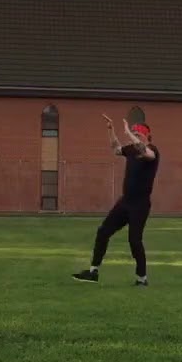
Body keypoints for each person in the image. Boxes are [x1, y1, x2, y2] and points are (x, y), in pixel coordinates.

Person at [72, 115, 160, 287]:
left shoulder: (153, 151)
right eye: (133, 133)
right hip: (125, 202)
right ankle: (93, 272)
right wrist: (111, 130)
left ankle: (142, 279)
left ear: (147, 136)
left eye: (138, 134)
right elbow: (116, 149)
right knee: (103, 231)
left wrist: (128, 132)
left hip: (140, 205)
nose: (134, 136)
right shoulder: (132, 150)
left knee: (134, 240)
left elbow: (146, 153)